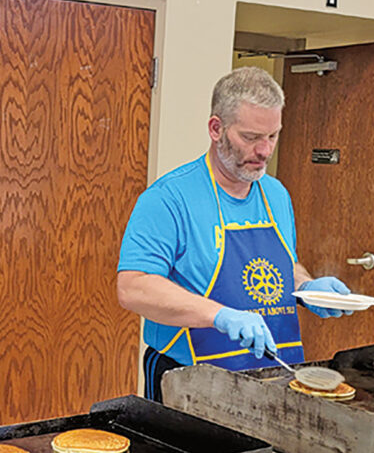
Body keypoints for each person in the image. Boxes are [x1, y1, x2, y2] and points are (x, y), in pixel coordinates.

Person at [117, 66, 351, 402]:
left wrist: (306, 287)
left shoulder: (276, 195)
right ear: (216, 129)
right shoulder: (169, 198)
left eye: (272, 136)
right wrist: (219, 316)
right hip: (190, 378)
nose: (265, 151)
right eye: (252, 137)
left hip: (274, 374)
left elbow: (285, 264)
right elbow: (134, 286)